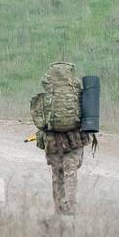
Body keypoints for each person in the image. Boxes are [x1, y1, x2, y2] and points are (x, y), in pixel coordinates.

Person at [31, 61, 91, 216]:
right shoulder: (78, 91)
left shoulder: (47, 94)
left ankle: (59, 207)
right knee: (71, 172)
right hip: (75, 139)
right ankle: (71, 207)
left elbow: (39, 122)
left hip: (53, 141)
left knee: (57, 173)